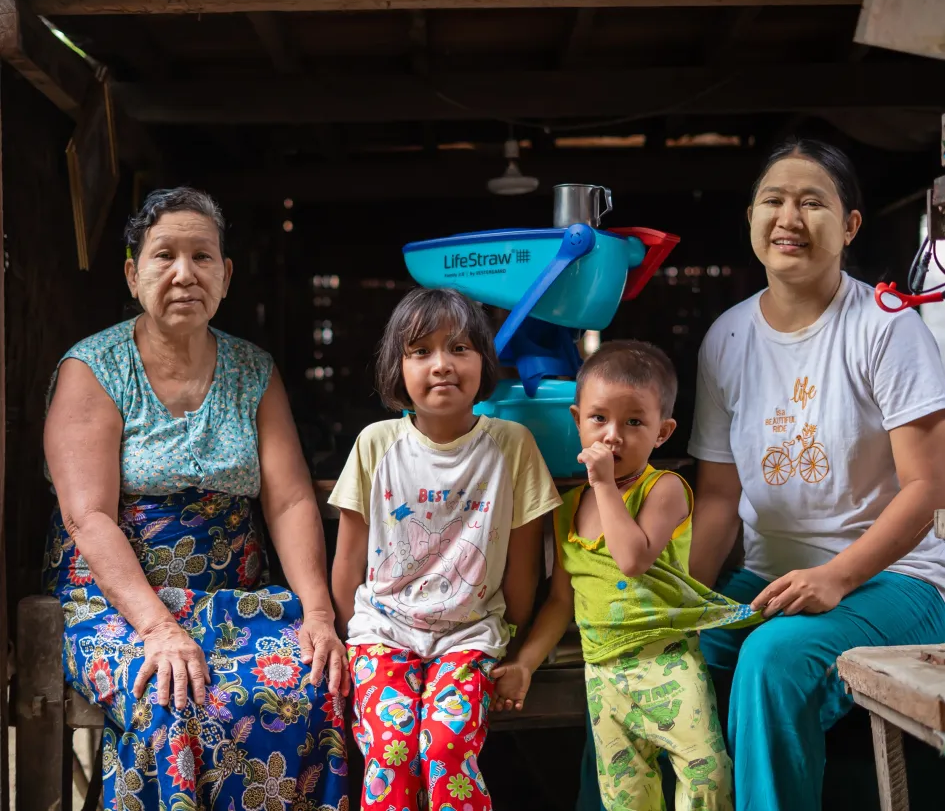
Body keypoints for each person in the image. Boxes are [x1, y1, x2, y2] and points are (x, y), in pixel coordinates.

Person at [42, 188, 348, 811]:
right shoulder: (94, 368)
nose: (185, 273)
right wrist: (158, 627)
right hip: (113, 602)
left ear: (225, 276)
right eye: (164, 256)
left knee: (312, 682)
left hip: (235, 600)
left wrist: (318, 613)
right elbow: (87, 516)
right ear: (133, 275)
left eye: (202, 256)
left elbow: (290, 501)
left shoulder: (252, 370)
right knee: (173, 695)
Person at [688, 138, 945, 810]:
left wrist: (836, 577)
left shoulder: (886, 328)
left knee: (772, 660)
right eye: (773, 201)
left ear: (850, 224)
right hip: (770, 581)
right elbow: (718, 496)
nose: (789, 218)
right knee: (664, 658)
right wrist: (677, 601)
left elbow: (928, 487)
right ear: (751, 218)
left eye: (812, 202)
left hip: (897, 580)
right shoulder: (727, 337)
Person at [491, 341, 760, 811]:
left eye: (634, 422)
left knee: (706, 774)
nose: (613, 435)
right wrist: (525, 664)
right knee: (625, 795)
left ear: (662, 432)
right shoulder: (567, 509)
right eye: (599, 418)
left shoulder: (664, 489)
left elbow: (632, 558)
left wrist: (601, 483)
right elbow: (561, 601)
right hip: (604, 675)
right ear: (577, 420)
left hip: (668, 662)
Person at [330, 287, 560, 811]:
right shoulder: (376, 444)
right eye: (421, 351)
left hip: (471, 636)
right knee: (390, 749)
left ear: (484, 362)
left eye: (459, 348)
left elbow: (523, 568)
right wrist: (351, 639)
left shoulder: (512, 445)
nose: (442, 365)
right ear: (398, 367)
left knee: (446, 746)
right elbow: (348, 562)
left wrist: (512, 643)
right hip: (382, 632)